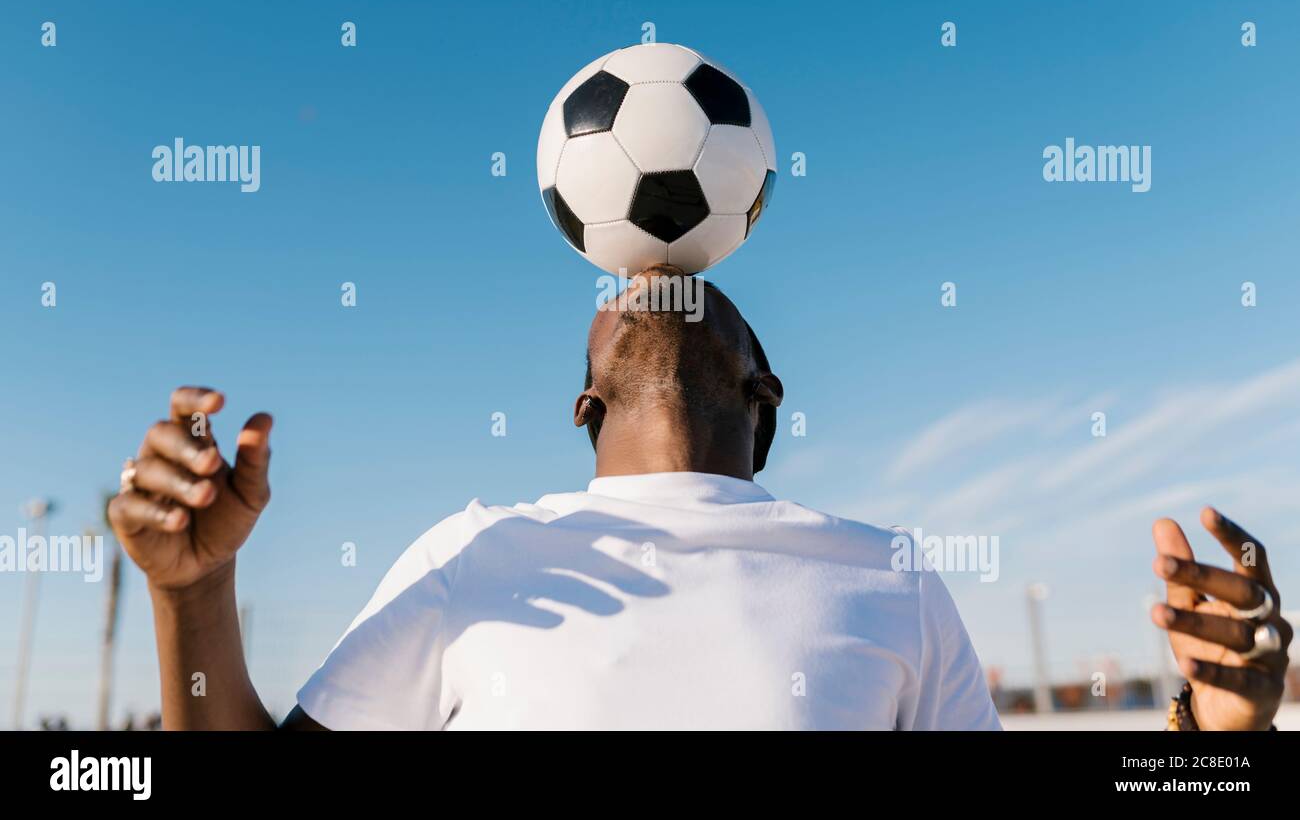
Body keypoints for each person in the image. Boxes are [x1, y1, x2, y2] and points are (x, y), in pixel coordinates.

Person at [108, 266, 1290, 730]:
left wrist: (1223, 736)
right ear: (582, 402)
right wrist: (194, 593)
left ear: (760, 387)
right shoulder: (476, 549)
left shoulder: (889, 571)